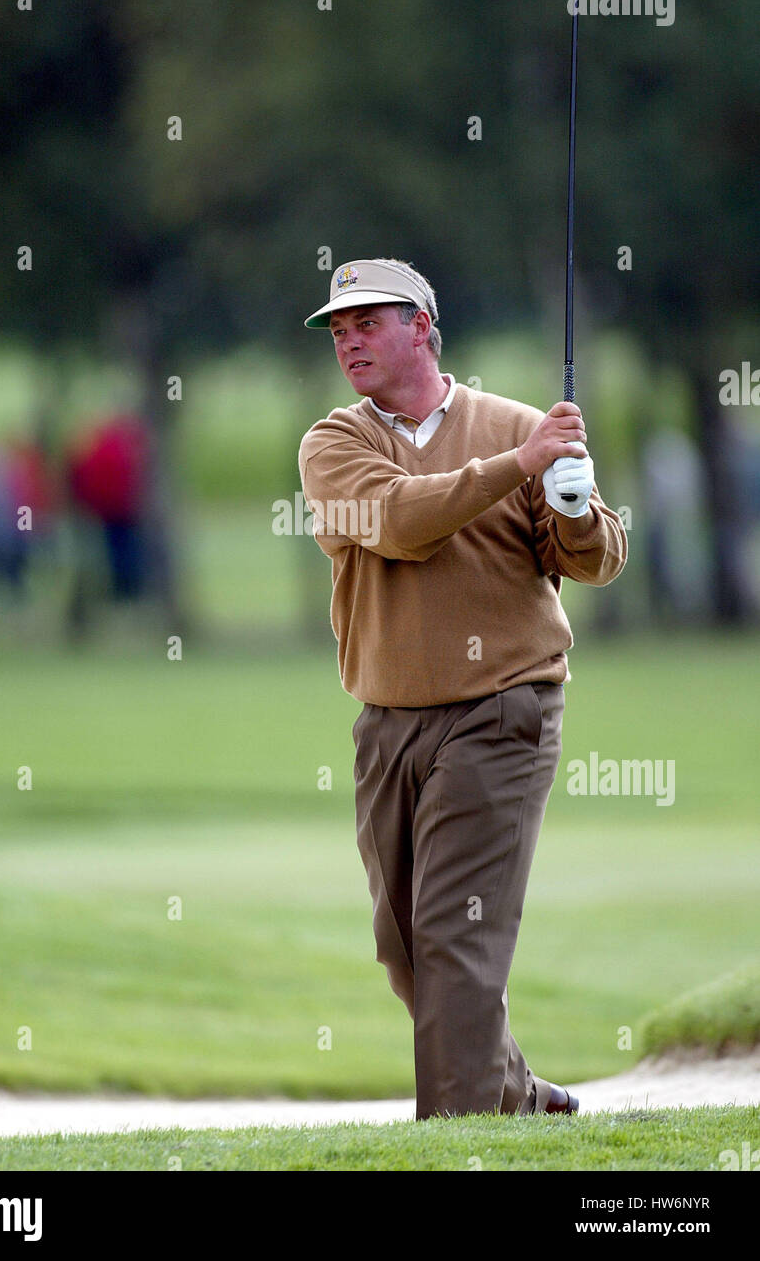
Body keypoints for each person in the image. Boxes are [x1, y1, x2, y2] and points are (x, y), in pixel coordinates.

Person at [298, 258, 628, 1119]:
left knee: (456, 932)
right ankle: (515, 1096)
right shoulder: (334, 444)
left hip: (502, 709)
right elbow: (400, 523)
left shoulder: (520, 428)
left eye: (366, 323)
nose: (349, 341)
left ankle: (457, 1137)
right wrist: (514, 465)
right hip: (387, 720)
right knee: (404, 944)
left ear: (420, 327)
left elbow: (594, 562)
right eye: (338, 330)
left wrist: (572, 505)